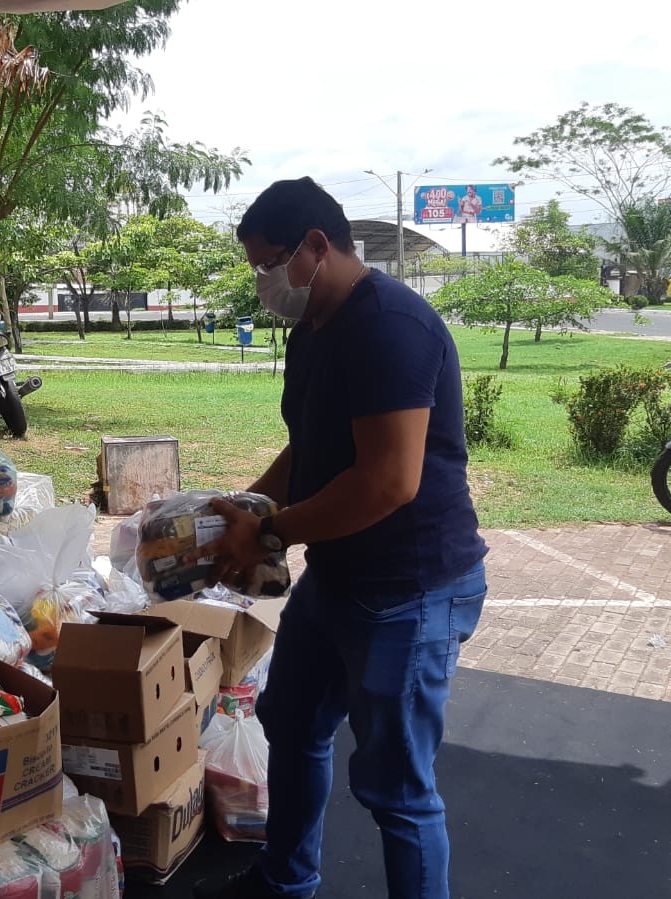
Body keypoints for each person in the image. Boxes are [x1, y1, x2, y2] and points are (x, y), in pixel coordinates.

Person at [194, 177, 488, 899]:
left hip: (409, 587)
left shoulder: (390, 325)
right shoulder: (312, 331)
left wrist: (268, 529)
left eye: (267, 266)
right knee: (289, 721)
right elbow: (308, 448)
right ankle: (285, 878)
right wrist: (249, 506)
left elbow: (387, 481)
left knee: (395, 787)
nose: (263, 284)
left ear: (316, 247)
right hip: (337, 575)